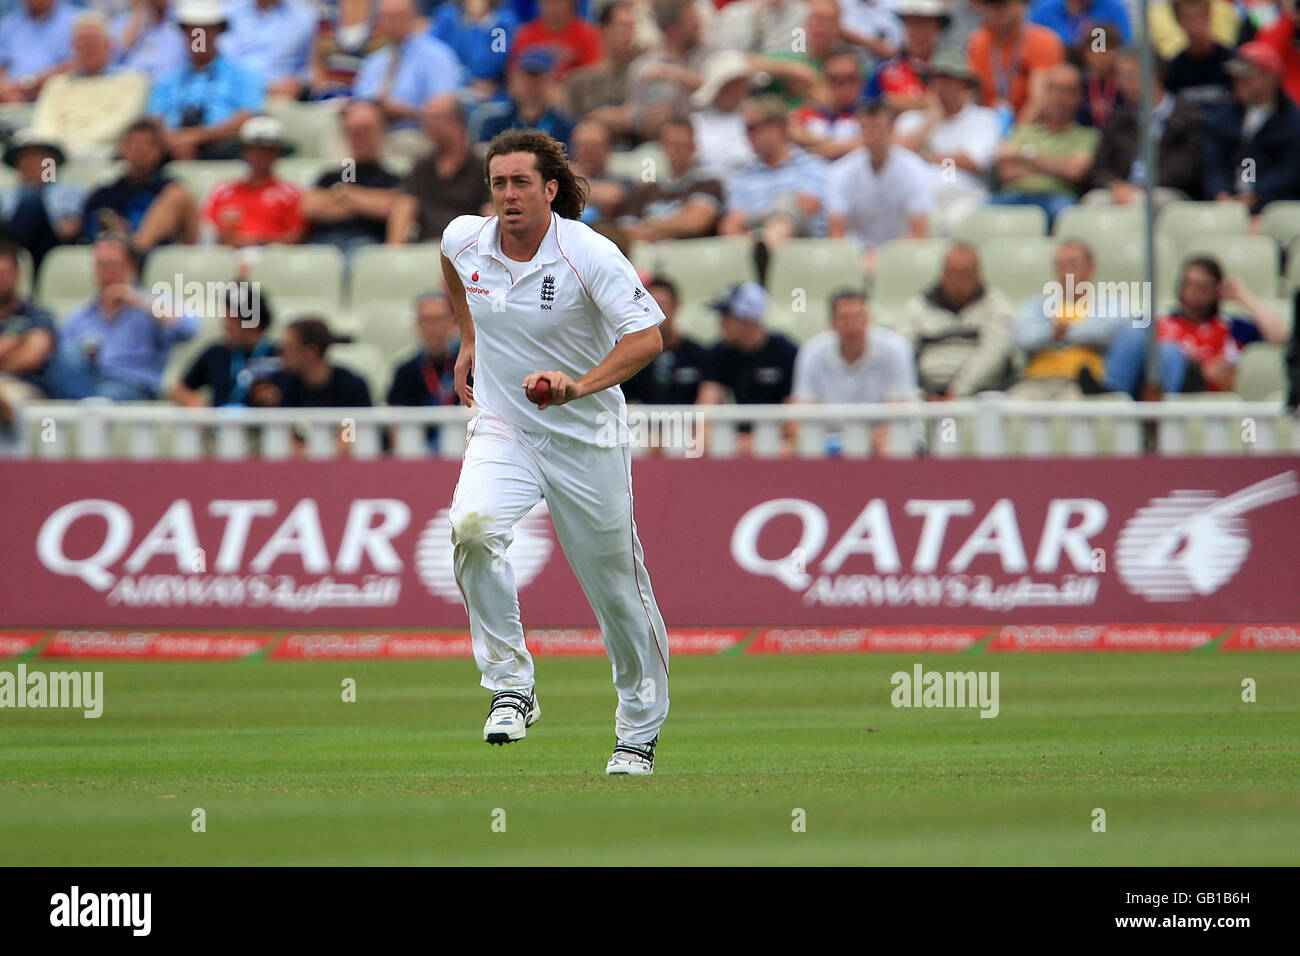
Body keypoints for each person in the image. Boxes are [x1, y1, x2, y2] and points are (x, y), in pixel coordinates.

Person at [437, 128, 670, 774]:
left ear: (550, 189)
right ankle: (511, 685)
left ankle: (637, 732)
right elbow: (451, 270)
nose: (508, 195)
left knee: (617, 593)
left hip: (586, 436)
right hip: (505, 428)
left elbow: (647, 337)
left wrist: (577, 386)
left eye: (520, 183)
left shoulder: (588, 253)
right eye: (498, 183)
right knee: (472, 528)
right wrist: (468, 341)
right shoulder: (465, 239)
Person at [1104, 256, 1289, 397]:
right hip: (1146, 391)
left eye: (1202, 286)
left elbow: (1282, 336)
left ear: (1216, 290)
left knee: (1169, 352)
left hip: (1198, 393)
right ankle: (1110, 395)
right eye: (1189, 283)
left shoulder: (1231, 326)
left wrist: (1242, 296)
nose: (1194, 291)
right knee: (1132, 333)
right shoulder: (1158, 319)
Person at [48, 233, 197, 400]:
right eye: (101, 266)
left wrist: (140, 301)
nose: (107, 273)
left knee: (108, 395)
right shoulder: (81, 316)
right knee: (68, 353)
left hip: (133, 386)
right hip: (88, 383)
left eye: (113, 265)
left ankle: (90, 410)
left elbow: (187, 328)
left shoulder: (151, 304)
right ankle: (90, 408)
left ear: (131, 267)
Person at [792, 288, 917, 454]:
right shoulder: (811, 351)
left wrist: (859, 443)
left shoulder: (897, 348)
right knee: (791, 448)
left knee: (890, 447)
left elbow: (898, 417)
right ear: (832, 324)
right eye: (844, 318)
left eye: (859, 317)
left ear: (870, 319)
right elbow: (800, 415)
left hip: (884, 438)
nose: (853, 326)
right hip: (829, 442)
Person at [894, 50, 1002, 235]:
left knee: (957, 223)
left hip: (964, 196)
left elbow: (974, 161)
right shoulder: (910, 119)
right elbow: (896, 156)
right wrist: (931, 120)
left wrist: (929, 158)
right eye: (937, 79)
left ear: (964, 84)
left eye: (949, 79)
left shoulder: (983, 118)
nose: (942, 86)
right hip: (916, 198)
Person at [148, 0, 266, 160]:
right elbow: (155, 120)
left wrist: (196, 136)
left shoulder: (243, 74)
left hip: (223, 150)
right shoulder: (167, 80)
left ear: (218, 31)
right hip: (171, 150)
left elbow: (248, 118)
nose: (198, 37)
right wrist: (173, 141)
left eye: (204, 31)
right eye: (193, 30)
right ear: (184, 32)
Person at [826, 98, 931, 276]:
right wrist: (859, 260)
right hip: (853, 258)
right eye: (866, 128)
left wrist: (884, 257)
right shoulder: (840, 171)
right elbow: (836, 232)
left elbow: (919, 231)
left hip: (901, 257)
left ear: (891, 130)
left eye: (878, 128)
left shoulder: (915, 169)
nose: (873, 136)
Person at [1084, 52, 1203, 208]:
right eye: (1119, 76)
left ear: (1154, 76)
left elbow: (1186, 167)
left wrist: (1140, 188)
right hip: (1123, 190)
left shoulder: (1187, 116)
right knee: (1093, 201)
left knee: (1142, 203)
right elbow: (1101, 165)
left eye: (1129, 76)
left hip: (1168, 191)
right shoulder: (1119, 118)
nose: (1121, 84)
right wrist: (1114, 184)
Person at [898, 242, 1016, 397]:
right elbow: (902, 352)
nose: (959, 281)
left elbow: (993, 355)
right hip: (925, 394)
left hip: (981, 394)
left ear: (978, 274)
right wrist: (925, 392)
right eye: (953, 273)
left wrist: (957, 392)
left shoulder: (998, 306)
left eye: (966, 274)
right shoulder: (917, 306)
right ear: (942, 274)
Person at [1009, 239, 1122, 399]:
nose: (1065, 272)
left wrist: (1062, 332)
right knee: (1010, 408)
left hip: (1080, 383)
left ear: (1090, 268)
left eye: (1072, 265)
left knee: (1072, 410)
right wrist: (1051, 332)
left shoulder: (1107, 304)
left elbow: (1106, 331)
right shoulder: (1038, 305)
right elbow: (1023, 337)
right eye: (1060, 266)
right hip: (1037, 381)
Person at [29, 11, 149, 162]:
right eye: (82, 42)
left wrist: (74, 144)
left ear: (109, 44)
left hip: (104, 152)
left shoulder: (132, 82)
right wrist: (55, 147)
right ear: (73, 47)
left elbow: (121, 123)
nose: (88, 47)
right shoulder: (56, 84)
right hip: (56, 153)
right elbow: (44, 123)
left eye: (94, 40)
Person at [991, 62, 1099, 226]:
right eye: (1053, 89)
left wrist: (1025, 154)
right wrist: (1057, 166)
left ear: (1078, 97)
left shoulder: (1088, 136)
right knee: (976, 217)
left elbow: (1075, 172)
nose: (1059, 97)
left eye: (1067, 91)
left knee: (1067, 217)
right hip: (1014, 196)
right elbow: (1007, 172)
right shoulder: (1023, 131)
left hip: (1058, 198)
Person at [718, 96, 830, 252]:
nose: (747, 135)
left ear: (777, 128)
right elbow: (731, 225)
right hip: (752, 248)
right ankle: (764, 248)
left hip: (802, 251)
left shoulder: (811, 166)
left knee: (787, 204)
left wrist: (753, 220)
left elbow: (806, 207)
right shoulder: (743, 177)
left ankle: (765, 247)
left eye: (752, 127)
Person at [1201, 42, 1300, 215]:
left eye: (1246, 76)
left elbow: (1290, 170)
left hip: (1275, 207)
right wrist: (1221, 192)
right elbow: (1212, 163)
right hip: (1225, 204)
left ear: (1271, 77)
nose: (1238, 82)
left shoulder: (1292, 121)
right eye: (1236, 76)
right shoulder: (1221, 118)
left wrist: (1257, 192)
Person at [82, 119, 199, 252]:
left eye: (146, 144)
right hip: (109, 261)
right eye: (132, 143)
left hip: (159, 261)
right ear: (122, 149)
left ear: (160, 150)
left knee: (177, 195)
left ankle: (132, 254)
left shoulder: (171, 191)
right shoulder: (104, 195)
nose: (138, 149)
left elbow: (190, 236)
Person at [387, 94, 490, 243]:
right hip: (426, 250)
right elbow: (405, 207)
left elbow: (489, 216)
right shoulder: (422, 167)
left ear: (458, 122)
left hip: (466, 250)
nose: (429, 125)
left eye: (436, 118)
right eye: (426, 119)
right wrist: (393, 256)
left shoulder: (481, 168)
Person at [303, 100, 402, 255]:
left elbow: (391, 207)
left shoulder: (392, 178)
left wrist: (343, 193)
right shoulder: (329, 176)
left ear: (381, 133)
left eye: (366, 130)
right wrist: (366, 204)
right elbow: (311, 208)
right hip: (322, 245)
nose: (358, 137)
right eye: (352, 131)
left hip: (367, 246)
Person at [352, 0, 463, 127]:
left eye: (400, 16)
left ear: (414, 17)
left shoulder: (436, 55)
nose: (393, 22)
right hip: (372, 132)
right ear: (379, 21)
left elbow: (444, 110)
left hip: (416, 132)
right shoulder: (373, 61)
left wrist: (407, 112)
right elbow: (359, 102)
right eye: (387, 17)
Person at [202, 116, 307, 247]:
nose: (260, 155)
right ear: (244, 152)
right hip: (226, 258)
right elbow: (206, 230)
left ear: (277, 153)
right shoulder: (222, 191)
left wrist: (263, 241)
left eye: (268, 150)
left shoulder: (291, 194)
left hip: (272, 259)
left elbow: (296, 236)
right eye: (254, 149)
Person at [171, 284, 280, 407]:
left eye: (232, 320)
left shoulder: (279, 355)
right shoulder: (216, 353)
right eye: (226, 319)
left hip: (265, 424)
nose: (226, 326)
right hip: (221, 424)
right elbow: (178, 390)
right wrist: (197, 405)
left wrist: (278, 398)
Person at [697, 280, 799, 407]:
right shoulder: (719, 353)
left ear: (749, 321)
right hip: (736, 426)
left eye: (726, 316)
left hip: (778, 426)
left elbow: (796, 408)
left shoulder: (786, 353)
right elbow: (707, 405)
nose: (721, 323)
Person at [618, 118, 723, 241]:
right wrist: (675, 225)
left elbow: (697, 221)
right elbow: (625, 232)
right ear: (662, 147)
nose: (676, 151)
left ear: (693, 148)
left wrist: (650, 224)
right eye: (671, 144)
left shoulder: (708, 185)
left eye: (682, 145)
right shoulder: (646, 190)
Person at [0, 130, 84, 271]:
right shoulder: (7, 195)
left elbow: (69, 230)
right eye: (24, 159)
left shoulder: (69, 191)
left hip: (52, 245)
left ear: (53, 163)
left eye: (38, 158)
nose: (30, 164)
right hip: (12, 247)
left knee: (32, 199)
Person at [967, 0, 1064, 122]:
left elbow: (1039, 99)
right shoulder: (977, 41)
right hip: (986, 124)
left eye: (1004, 3)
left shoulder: (1043, 41)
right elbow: (971, 93)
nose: (997, 9)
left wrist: (1017, 134)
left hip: (1032, 126)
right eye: (990, 4)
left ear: (1021, 4)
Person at [620, 275, 710, 404]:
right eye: (652, 305)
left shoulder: (698, 355)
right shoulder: (628, 355)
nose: (658, 312)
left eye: (663, 304)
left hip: (688, 423)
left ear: (676, 307)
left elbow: (707, 404)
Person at [253, 316, 371, 408]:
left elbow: (355, 435)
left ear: (311, 352)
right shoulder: (281, 384)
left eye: (288, 347)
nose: (280, 352)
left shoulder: (352, 386)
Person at [564, 0, 640, 142]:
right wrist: (594, 118)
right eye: (623, 27)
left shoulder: (641, 72)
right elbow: (565, 125)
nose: (629, 35)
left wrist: (635, 115)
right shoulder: (578, 80)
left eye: (632, 27)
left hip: (634, 149)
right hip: (587, 152)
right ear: (604, 29)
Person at [470, 48, 577, 147]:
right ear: (514, 81)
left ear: (551, 83)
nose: (532, 86)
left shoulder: (566, 127)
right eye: (526, 79)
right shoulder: (494, 121)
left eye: (538, 80)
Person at [864, 0, 948, 115]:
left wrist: (898, 102)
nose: (918, 30)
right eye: (912, 23)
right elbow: (868, 107)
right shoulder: (887, 68)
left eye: (924, 23)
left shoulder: (949, 66)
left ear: (937, 27)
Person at [224, 0, 319, 101]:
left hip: (279, 98)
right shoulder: (226, 12)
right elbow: (213, 58)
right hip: (230, 94)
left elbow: (312, 68)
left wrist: (300, 82)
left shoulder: (305, 16)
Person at [0, 238, 56, 405]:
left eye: (5, 273)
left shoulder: (37, 315)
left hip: (27, 389)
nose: (1, 280)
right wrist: (9, 344)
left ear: (18, 273)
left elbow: (32, 357)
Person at [387, 290, 460, 408]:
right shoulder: (405, 373)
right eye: (426, 320)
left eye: (440, 319)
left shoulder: (470, 370)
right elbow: (395, 420)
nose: (433, 328)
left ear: (453, 323)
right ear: (417, 324)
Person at [0, 0, 80, 103]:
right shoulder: (9, 24)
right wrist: (4, 90)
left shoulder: (76, 21)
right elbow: (2, 63)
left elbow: (76, 65)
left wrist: (27, 84)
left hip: (55, 95)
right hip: (11, 98)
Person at [789, 50, 864, 160]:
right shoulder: (808, 114)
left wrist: (821, 149)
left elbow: (882, 140)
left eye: (850, 78)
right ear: (825, 82)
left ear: (860, 82)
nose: (843, 85)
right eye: (835, 79)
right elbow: (789, 130)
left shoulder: (869, 116)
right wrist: (829, 144)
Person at [1163, 0, 1234, 110]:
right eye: (1187, 17)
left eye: (1199, 16)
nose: (1194, 23)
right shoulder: (1174, 69)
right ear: (1178, 22)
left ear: (1209, 17)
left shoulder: (1230, 60)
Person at [510, 0, 602, 79]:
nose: (552, 8)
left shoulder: (588, 35)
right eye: (547, 2)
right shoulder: (525, 34)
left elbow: (592, 75)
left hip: (573, 94)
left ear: (572, 3)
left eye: (557, 2)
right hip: (534, 94)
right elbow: (515, 79)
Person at [111, 0, 188, 81]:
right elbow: (111, 62)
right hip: (125, 86)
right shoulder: (121, 23)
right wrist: (138, 18)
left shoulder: (184, 22)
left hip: (166, 86)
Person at [1028, 0, 1131, 46]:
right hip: (1056, 75)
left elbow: (1125, 47)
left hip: (1101, 79)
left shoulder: (1114, 8)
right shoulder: (1044, 9)